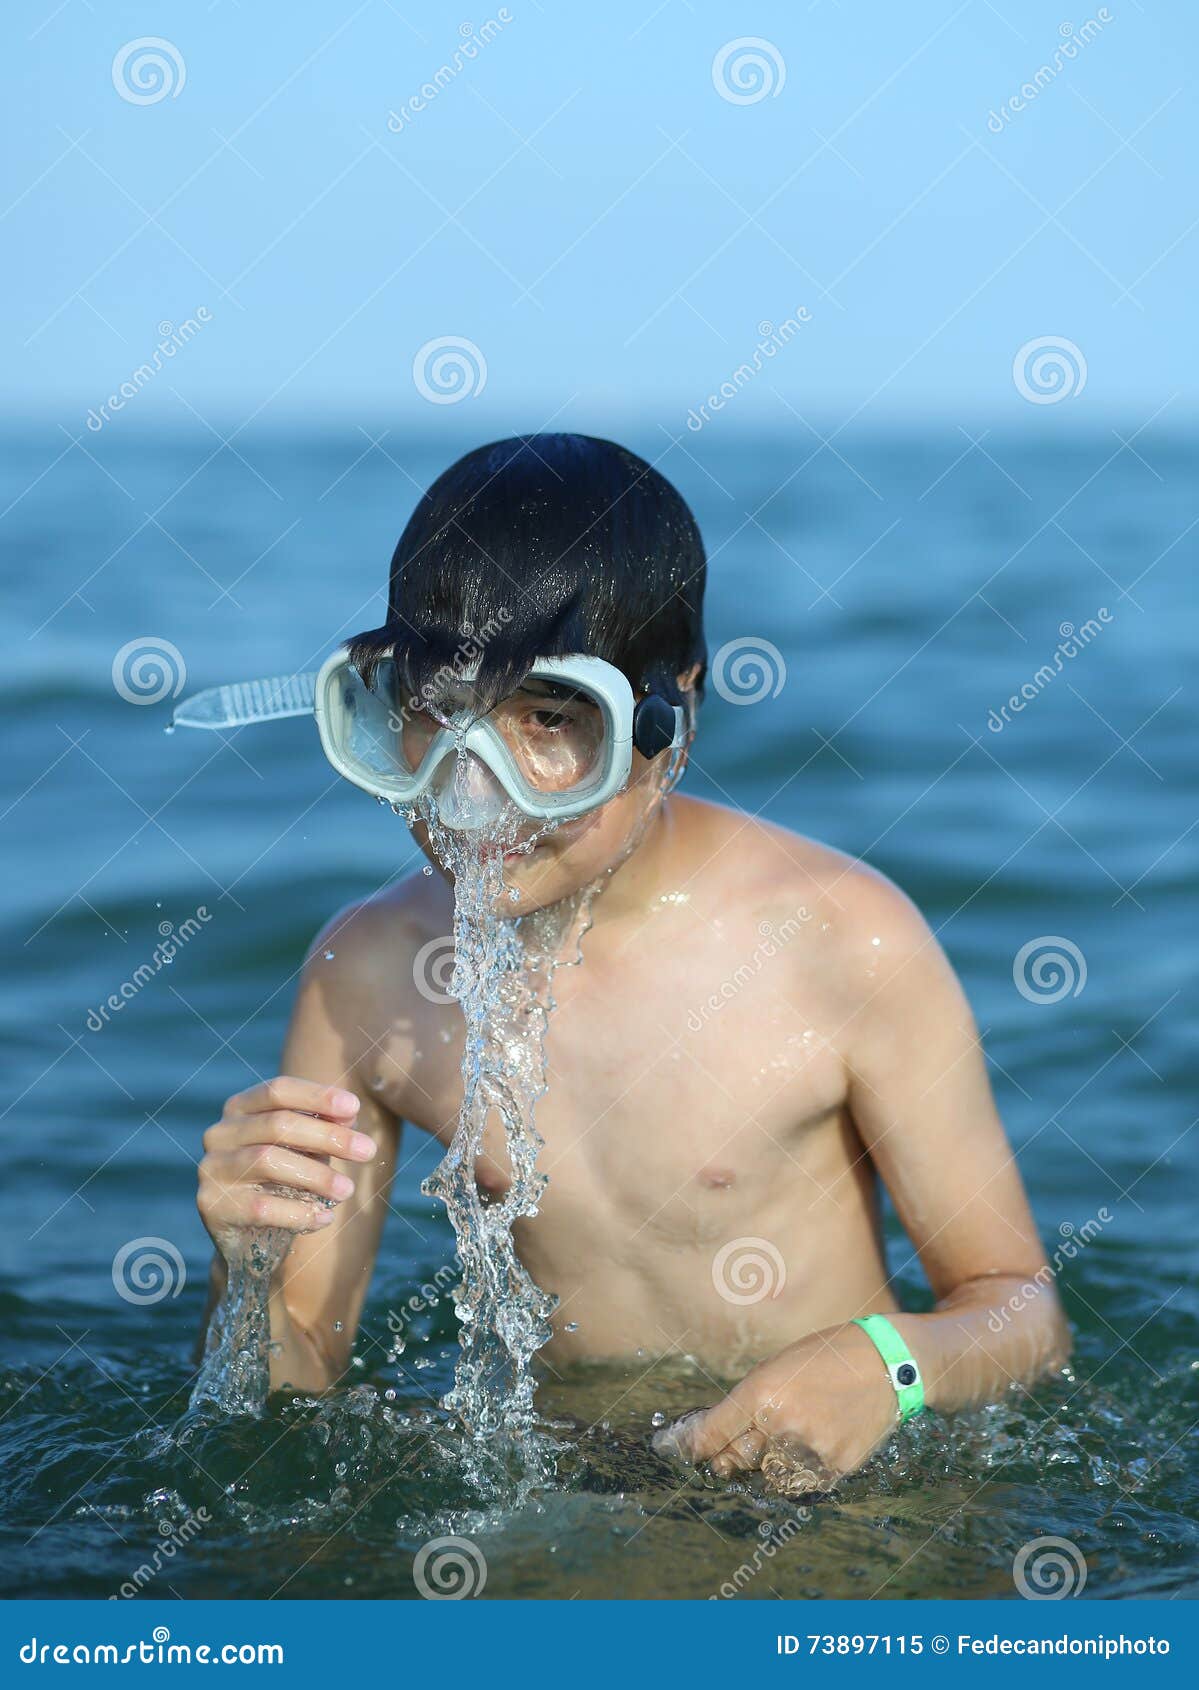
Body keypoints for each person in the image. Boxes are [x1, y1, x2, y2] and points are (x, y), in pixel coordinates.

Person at [195, 432, 1069, 1488]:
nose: (478, 795)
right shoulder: (368, 974)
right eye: (433, 712)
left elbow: (1022, 1313)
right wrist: (243, 1272)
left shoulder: (842, 941)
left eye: (551, 720)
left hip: (841, 1494)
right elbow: (295, 1396)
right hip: (574, 1489)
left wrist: (885, 1366)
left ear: (671, 716)